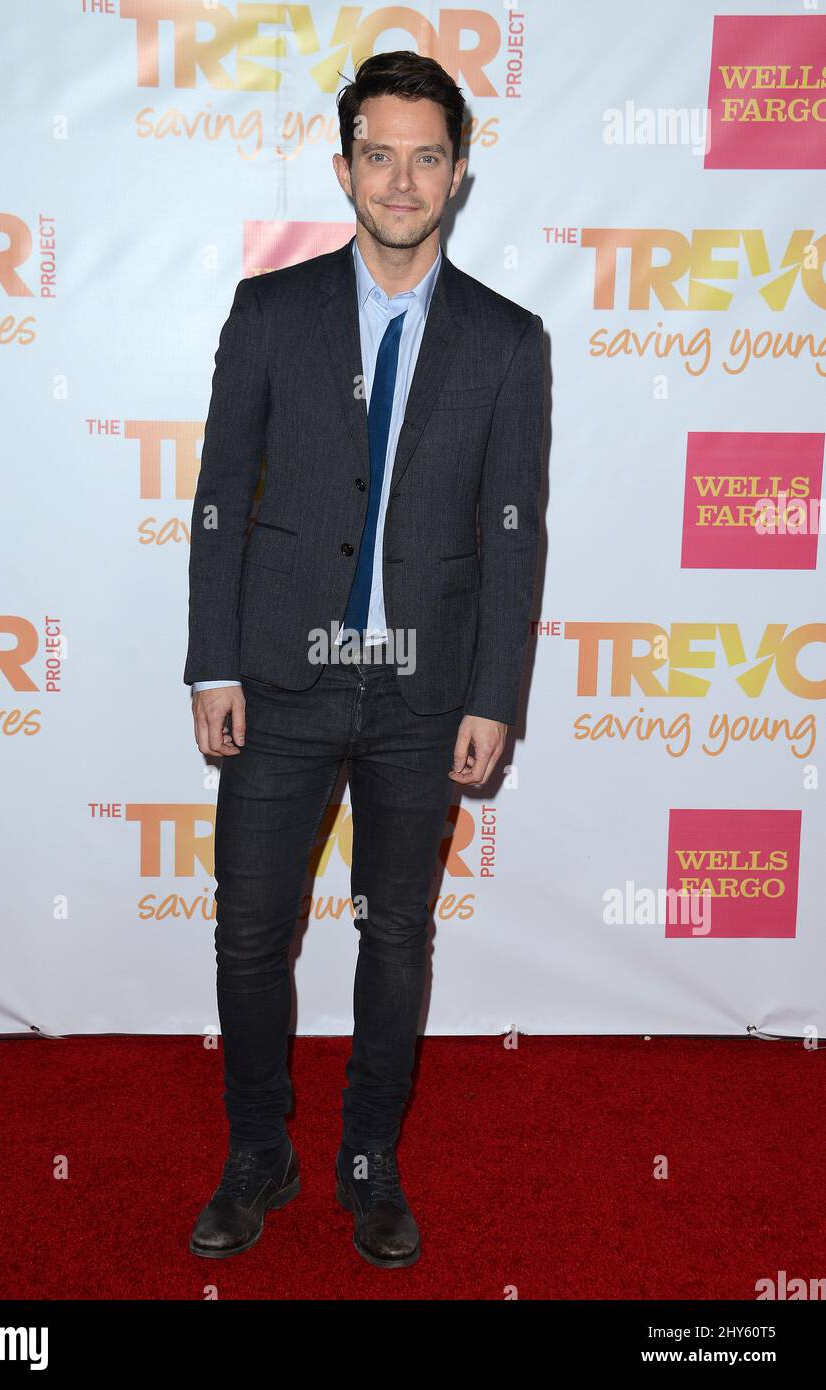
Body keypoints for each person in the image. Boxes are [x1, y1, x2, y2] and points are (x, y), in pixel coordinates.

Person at [184, 49, 545, 1269]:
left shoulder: (508, 341)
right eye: (378, 154)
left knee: (393, 934)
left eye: (426, 155)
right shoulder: (269, 312)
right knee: (248, 935)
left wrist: (493, 693)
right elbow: (222, 496)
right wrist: (211, 663)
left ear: (458, 174)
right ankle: (258, 1151)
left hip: (419, 688)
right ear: (343, 168)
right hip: (278, 677)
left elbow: (513, 529)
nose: (401, 180)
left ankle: (365, 1158)